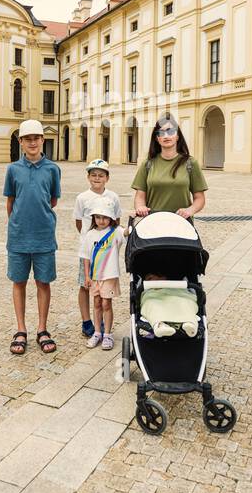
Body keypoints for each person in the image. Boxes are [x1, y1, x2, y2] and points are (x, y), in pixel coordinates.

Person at [3, 119, 61, 355]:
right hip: (18, 236)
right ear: (21, 142)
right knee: (18, 282)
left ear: (42, 140)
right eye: (28, 139)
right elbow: (10, 201)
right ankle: (20, 329)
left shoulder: (53, 169)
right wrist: (18, 224)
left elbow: (53, 200)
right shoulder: (13, 169)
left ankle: (42, 328)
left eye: (36, 138)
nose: (33, 142)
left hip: (44, 236)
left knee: (43, 282)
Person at [73, 158, 122, 337]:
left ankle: (101, 320)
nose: (97, 178)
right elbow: (79, 222)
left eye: (101, 175)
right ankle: (87, 320)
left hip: (106, 251)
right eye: (93, 175)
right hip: (88, 250)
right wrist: (88, 238)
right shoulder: (82, 198)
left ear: (107, 178)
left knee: (104, 286)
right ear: (88, 177)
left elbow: (117, 221)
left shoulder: (113, 197)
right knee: (85, 284)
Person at [131, 114, 209, 218]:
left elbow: (200, 198)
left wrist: (190, 210)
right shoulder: (147, 164)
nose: (166, 136)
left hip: (181, 224)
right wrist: (140, 207)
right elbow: (140, 196)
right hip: (153, 224)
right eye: (161, 133)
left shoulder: (190, 163)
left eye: (171, 131)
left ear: (177, 136)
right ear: (157, 138)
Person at [78, 195, 122, 350]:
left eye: (105, 217)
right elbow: (85, 256)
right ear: (93, 218)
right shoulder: (90, 235)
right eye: (98, 217)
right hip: (95, 277)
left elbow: (128, 233)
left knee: (106, 304)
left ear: (111, 218)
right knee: (96, 303)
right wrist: (88, 276)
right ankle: (97, 332)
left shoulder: (115, 232)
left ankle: (108, 334)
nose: (101, 220)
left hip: (109, 276)